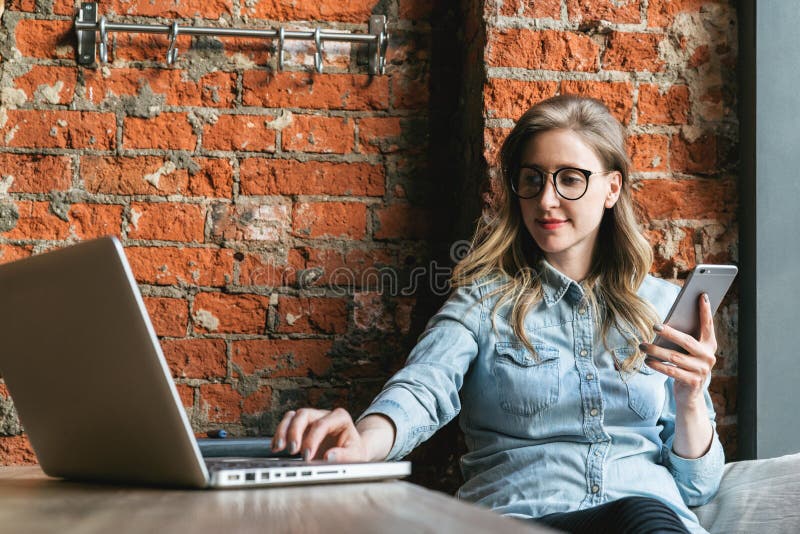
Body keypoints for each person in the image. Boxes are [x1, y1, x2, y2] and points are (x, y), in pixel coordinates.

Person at [270, 95, 724, 534]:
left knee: (646, 518)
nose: (546, 200)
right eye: (533, 179)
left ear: (611, 188)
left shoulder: (661, 306)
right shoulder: (483, 303)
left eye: (570, 179)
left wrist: (689, 399)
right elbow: (423, 388)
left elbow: (698, 487)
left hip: (648, 522)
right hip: (523, 518)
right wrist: (364, 443)